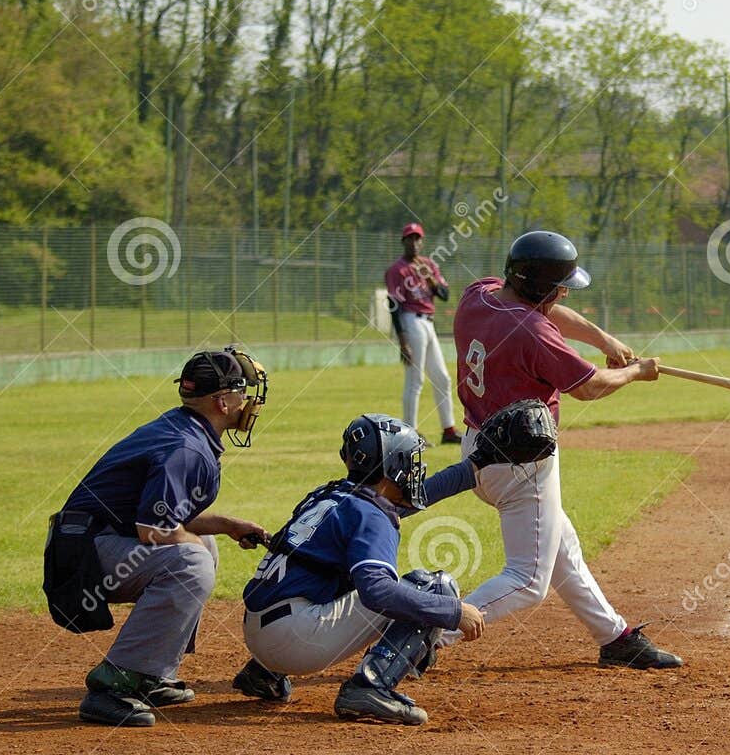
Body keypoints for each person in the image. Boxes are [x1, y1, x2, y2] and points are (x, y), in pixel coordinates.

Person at [449, 230, 683, 669]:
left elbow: (552, 313)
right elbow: (590, 387)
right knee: (526, 579)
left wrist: (603, 340)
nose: (562, 293)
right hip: (521, 465)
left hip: (477, 448)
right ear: (542, 288)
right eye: (558, 286)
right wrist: (635, 372)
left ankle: (616, 637)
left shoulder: (478, 295)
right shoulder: (534, 333)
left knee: (562, 547)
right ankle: (426, 631)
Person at [47, 347, 272, 728]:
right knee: (192, 561)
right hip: (81, 556)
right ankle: (114, 684)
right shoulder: (185, 447)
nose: (249, 402)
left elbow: (165, 514)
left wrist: (227, 525)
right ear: (221, 401)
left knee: (205, 547)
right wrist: (193, 543)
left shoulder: (186, 429)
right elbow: (152, 530)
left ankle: (151, 674)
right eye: (243, 392)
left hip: (92, 541)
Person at [230, 413, 489, 726]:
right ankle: (371, 686)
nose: (415, 469)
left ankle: (264, 673)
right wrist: (454, 611)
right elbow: (376, 592)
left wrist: (476, 465)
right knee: (434, 587)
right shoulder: (372, 514)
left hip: (259, 631)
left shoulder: (333, 495)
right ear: (392, 467)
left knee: (348, 570)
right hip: (296, 640)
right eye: (409, 460)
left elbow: (410, 500)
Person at [384, 222, 460, 444]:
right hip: (411, 321)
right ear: (404, 242)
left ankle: (448, 430)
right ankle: (410, 433)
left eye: (418, 238)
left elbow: (444, 294)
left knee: (442, 378)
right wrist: (403, 341)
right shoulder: (397, 270)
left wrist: (431, 279)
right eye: (410, 238)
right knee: (415, 380)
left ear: (422, 242)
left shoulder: (428, 265)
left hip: (428, 322)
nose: (414, 243)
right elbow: (394, 306)